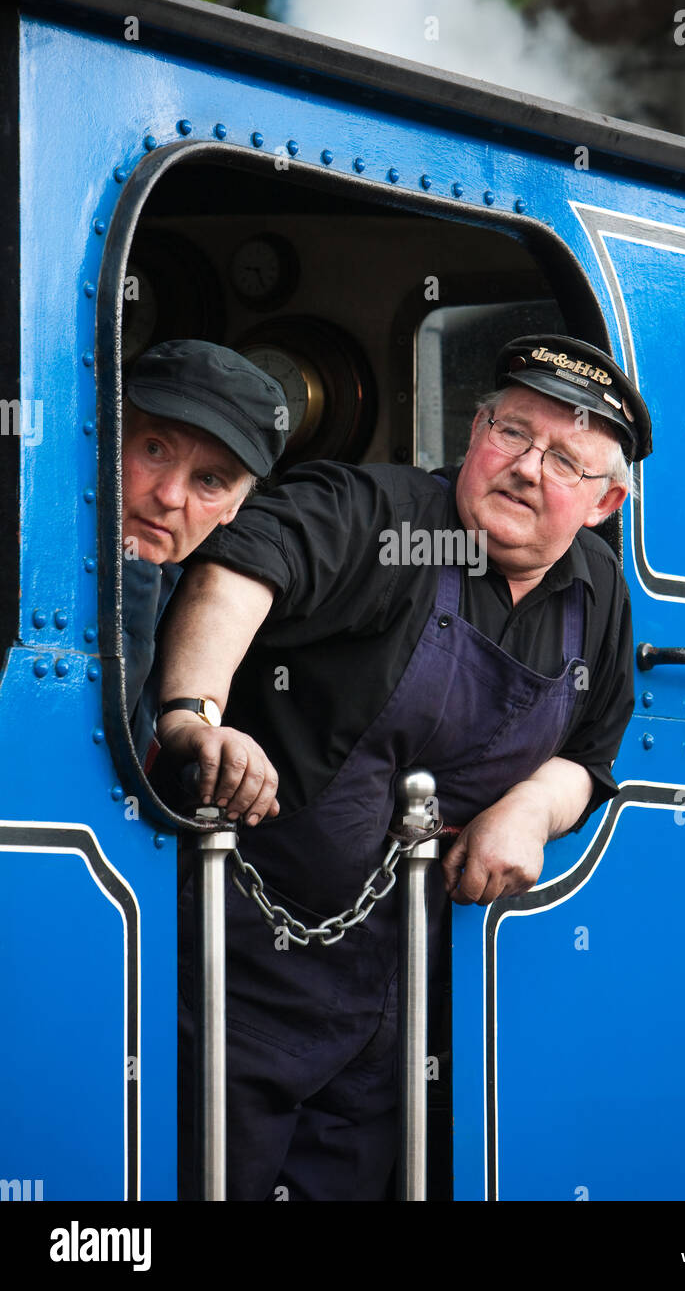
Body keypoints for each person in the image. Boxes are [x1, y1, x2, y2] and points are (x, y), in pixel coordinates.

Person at [155, 333, 652, 1200]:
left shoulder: (598, 592)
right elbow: (235, 573)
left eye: (566, 459)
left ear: (606, 503)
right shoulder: (377, 517)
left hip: (406, 1002)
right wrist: (196, 715)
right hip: (242, 978)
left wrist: (533, 807)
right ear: (473, 435)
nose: (528, 468)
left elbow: (592, 755)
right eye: (512, 432)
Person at [120, 338, 287, 764]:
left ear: (234, 508)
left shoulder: (170, 593)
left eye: (210, 480)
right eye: (155, 449)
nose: (171, 496)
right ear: (110, 441)